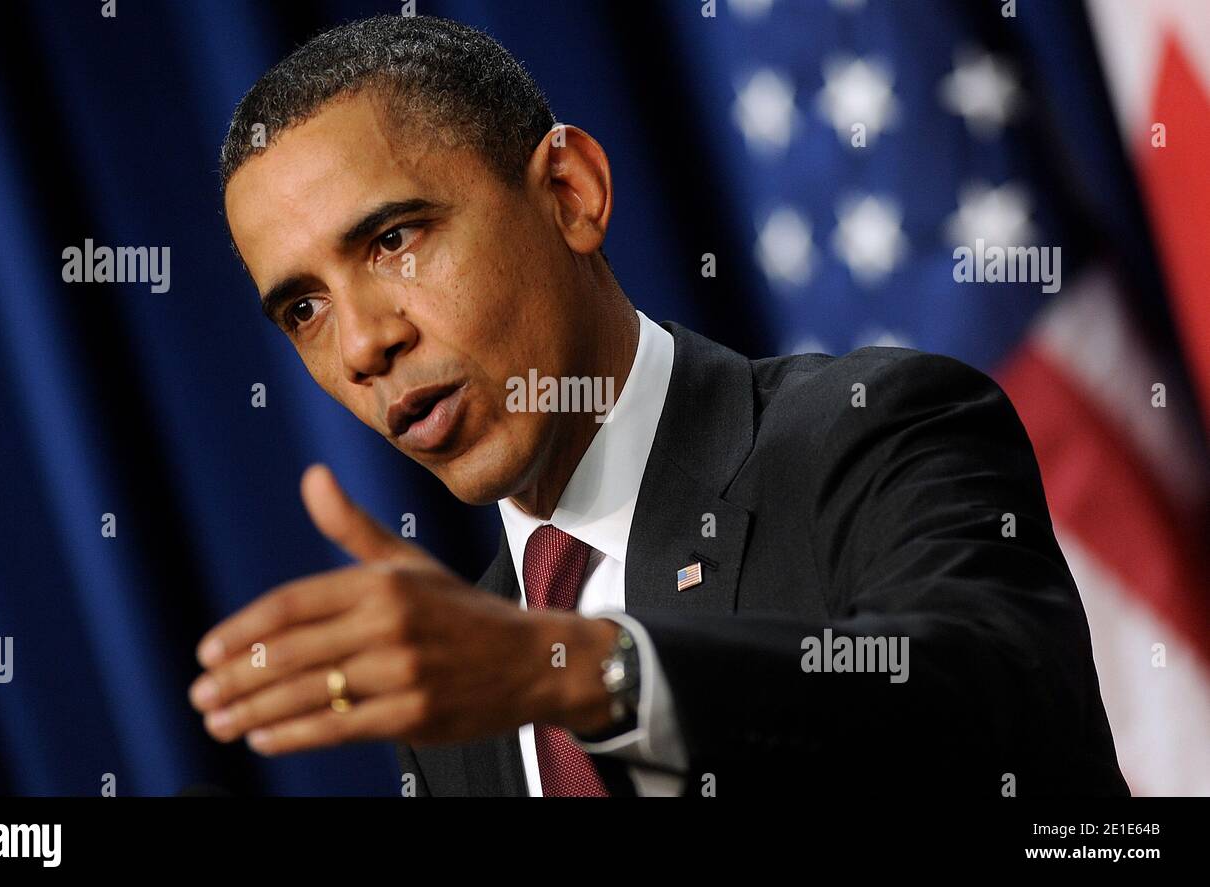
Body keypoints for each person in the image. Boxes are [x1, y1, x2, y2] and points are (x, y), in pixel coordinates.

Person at [188, 14, 1129, 797]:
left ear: (571, 192)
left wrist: (578, 672)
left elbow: (993, 708)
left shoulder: (875, 431)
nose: (361, 344)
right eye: (303, 308)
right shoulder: (456, 707)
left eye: (394, 239)